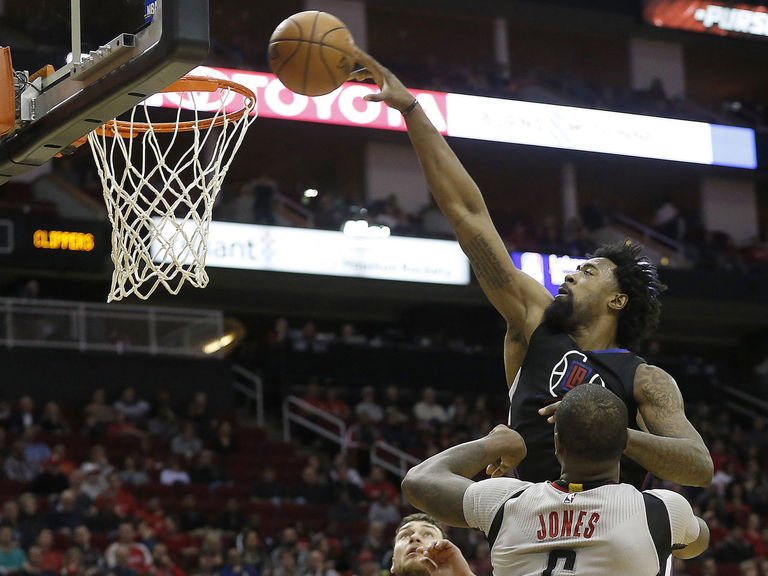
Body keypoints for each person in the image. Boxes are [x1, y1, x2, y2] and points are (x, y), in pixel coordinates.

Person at [350, 46, 713, 489]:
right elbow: (469, 215)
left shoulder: (643, 378)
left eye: (588, 272)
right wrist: (412, 110)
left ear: (618, 300)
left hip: (614, 530)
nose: (569, 275)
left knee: (689, 527)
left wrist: (611, 430)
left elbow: (698, 466)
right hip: (531, 524)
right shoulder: (534, 324)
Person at [401, 384, 710, 576]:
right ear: (624, 446)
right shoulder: (662, 511)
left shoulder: (505, 502)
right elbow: (697, 543)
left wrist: (496, 442)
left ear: (558, 443)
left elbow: (419, 481)